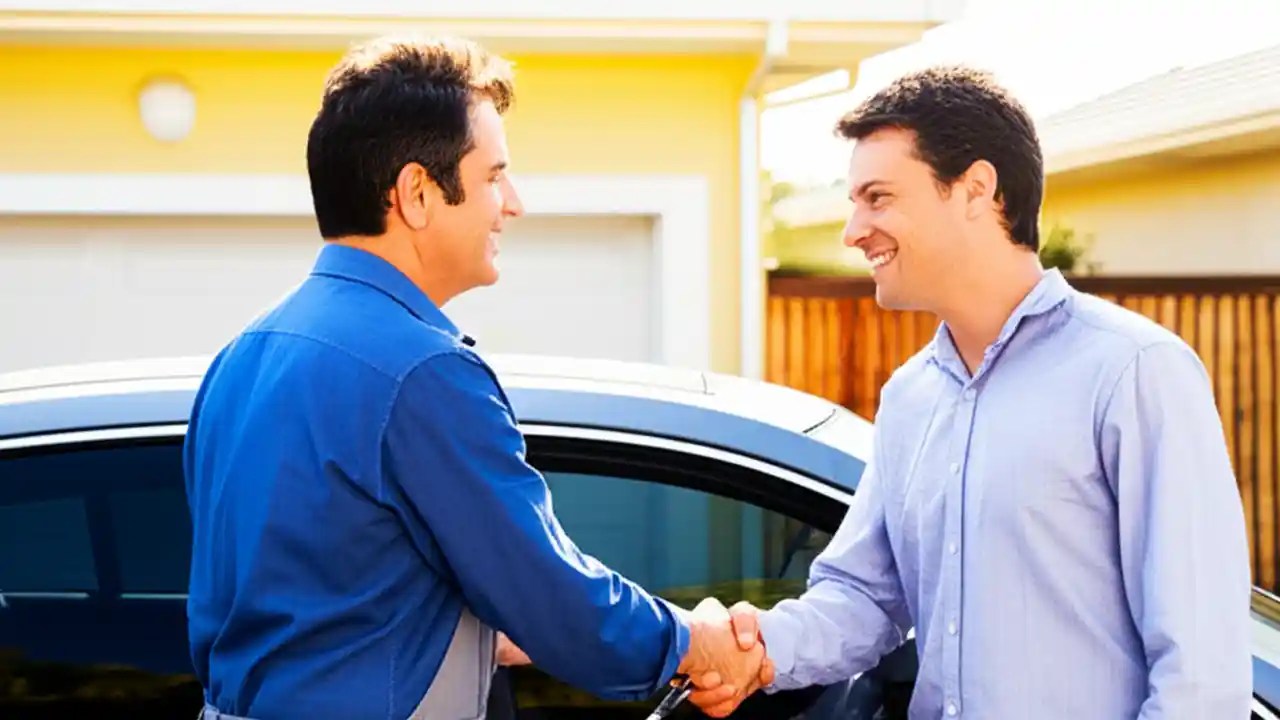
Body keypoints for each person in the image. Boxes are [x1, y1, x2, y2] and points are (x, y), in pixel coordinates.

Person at [183, 34, 767, 720]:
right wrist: (690, 643)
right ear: (417, 193)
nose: (512, 203)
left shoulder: (242, 356)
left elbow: (329, 603)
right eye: (494, 176)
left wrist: (479, 635)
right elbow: (550, 595)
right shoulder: (422, 373)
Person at [689, 65, 1253, 719]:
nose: (853, 230)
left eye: (878, 198)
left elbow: (1200, 680)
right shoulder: (910, 398)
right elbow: (865, 598)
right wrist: (753, 647)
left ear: (976, 190)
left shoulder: (1134, 373)